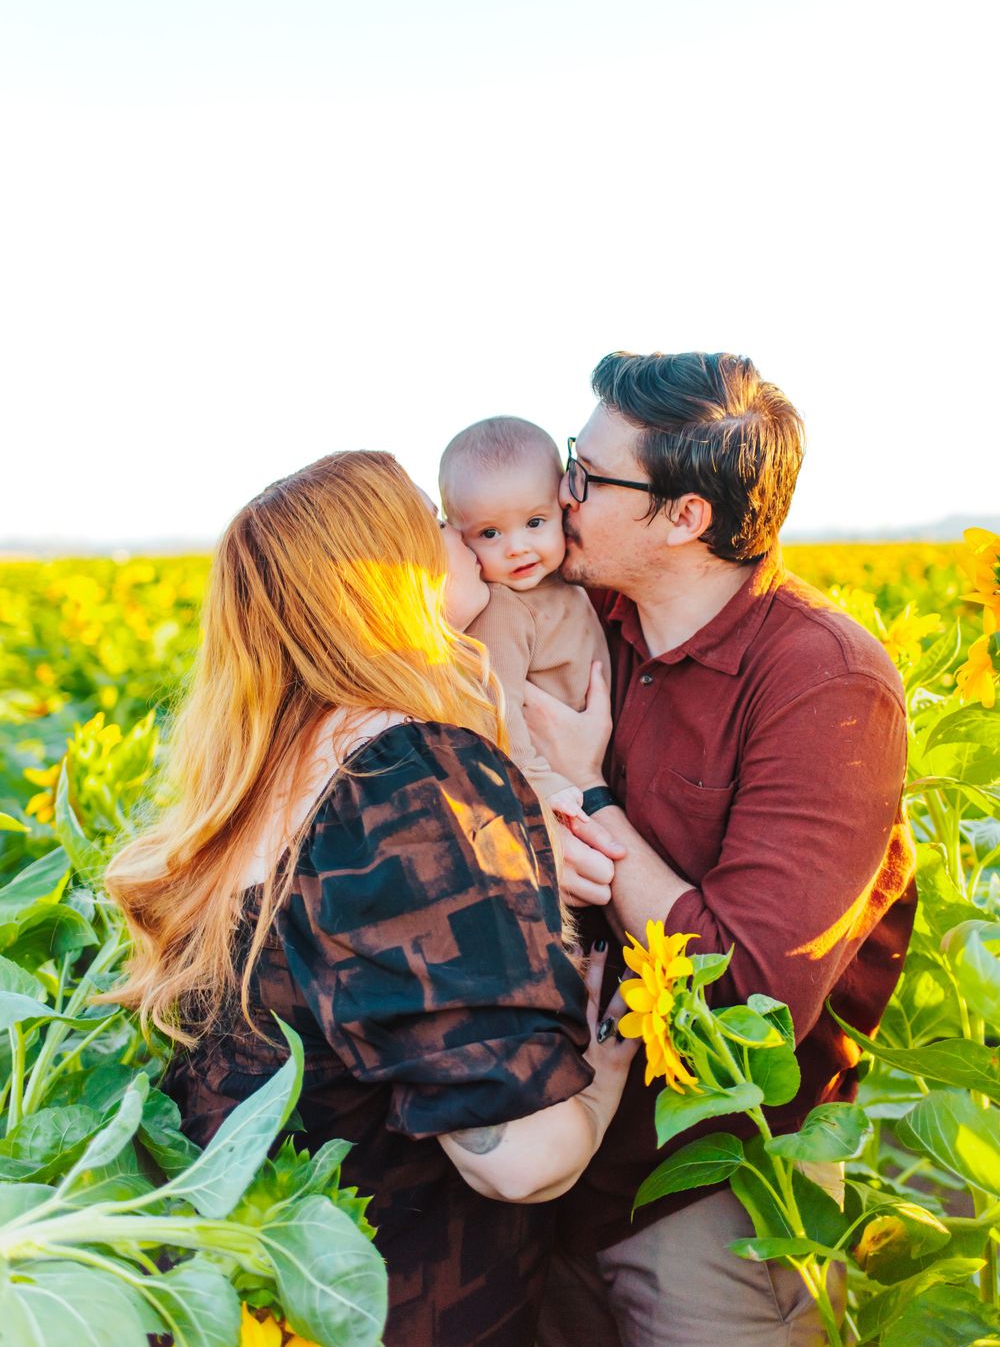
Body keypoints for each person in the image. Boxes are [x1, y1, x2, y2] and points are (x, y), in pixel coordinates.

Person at [102, 450, 635, 1347]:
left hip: (265, 1305)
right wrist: (603, 1077)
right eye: (433, 522)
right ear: (391, 577)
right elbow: (520, 1160)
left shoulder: (259, 785)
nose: (461, 536)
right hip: (398, 1306)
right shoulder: (405, 774)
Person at [526, 353, 916, 1347]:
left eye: (587, 474)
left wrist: (590, 798)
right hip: (551, 1154)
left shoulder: (822, 681)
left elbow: (747, 990)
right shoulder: (579, 618)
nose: (560, 493)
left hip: (712, 1192)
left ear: (685, 517)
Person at [439, 415, 611, 822]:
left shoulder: (567, 581)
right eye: (490, 534)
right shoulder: (504, 607)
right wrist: (536, 779)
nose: (517, 547)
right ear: (460, 535)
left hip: (584, 766)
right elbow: (494, 704)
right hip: (551, 790)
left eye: (534, 523)